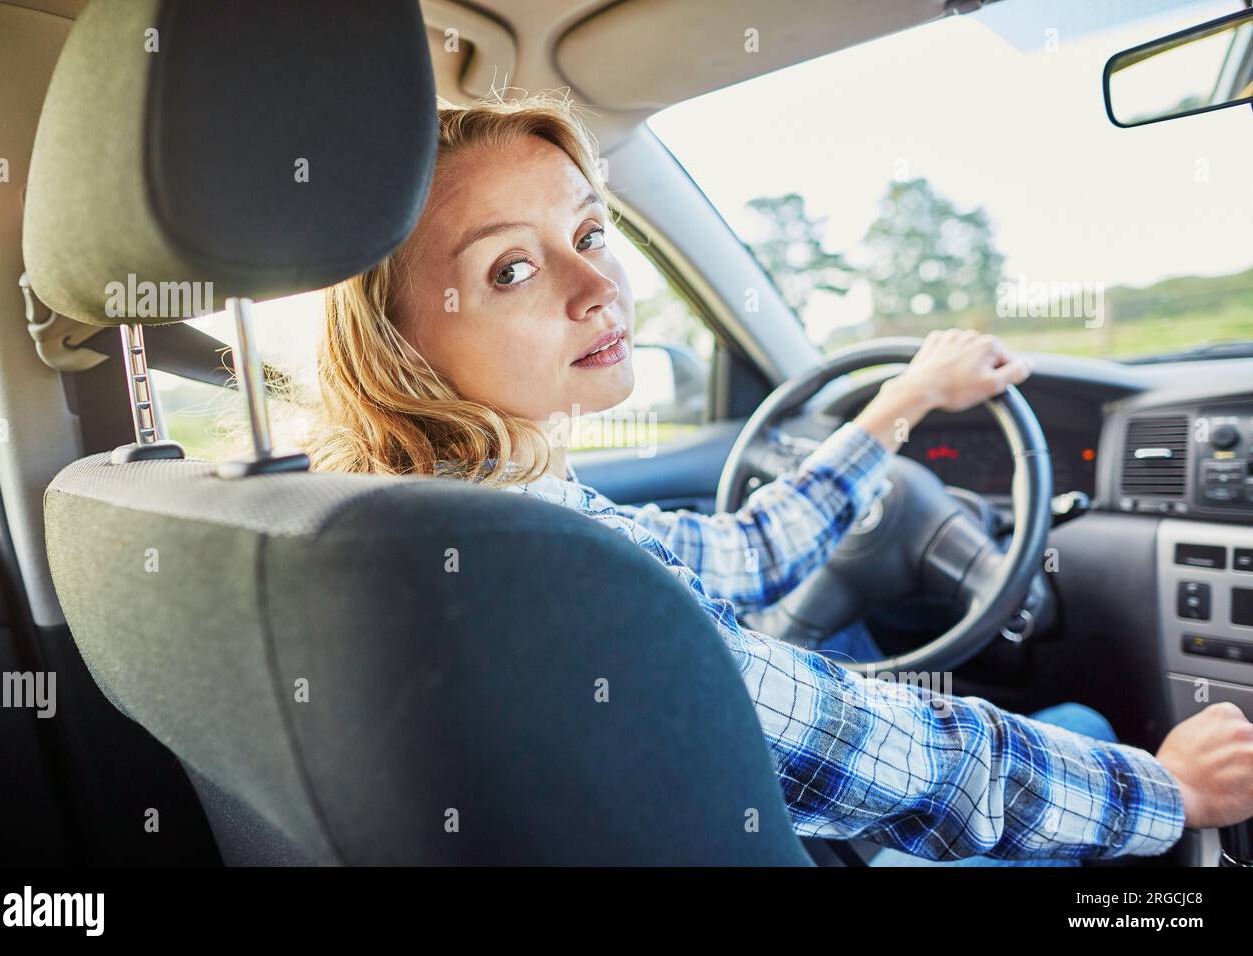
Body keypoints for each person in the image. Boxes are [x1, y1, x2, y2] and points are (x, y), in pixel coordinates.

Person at [304, 91, 1253, 863]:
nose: (596, 288)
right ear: (399, 344)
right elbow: (909, 760)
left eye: (589, 234)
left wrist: (900, 406)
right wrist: (1166, 791)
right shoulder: (542, 574)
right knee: (1093, 728)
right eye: (510, 269)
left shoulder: (440, 518)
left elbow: (743, 552)